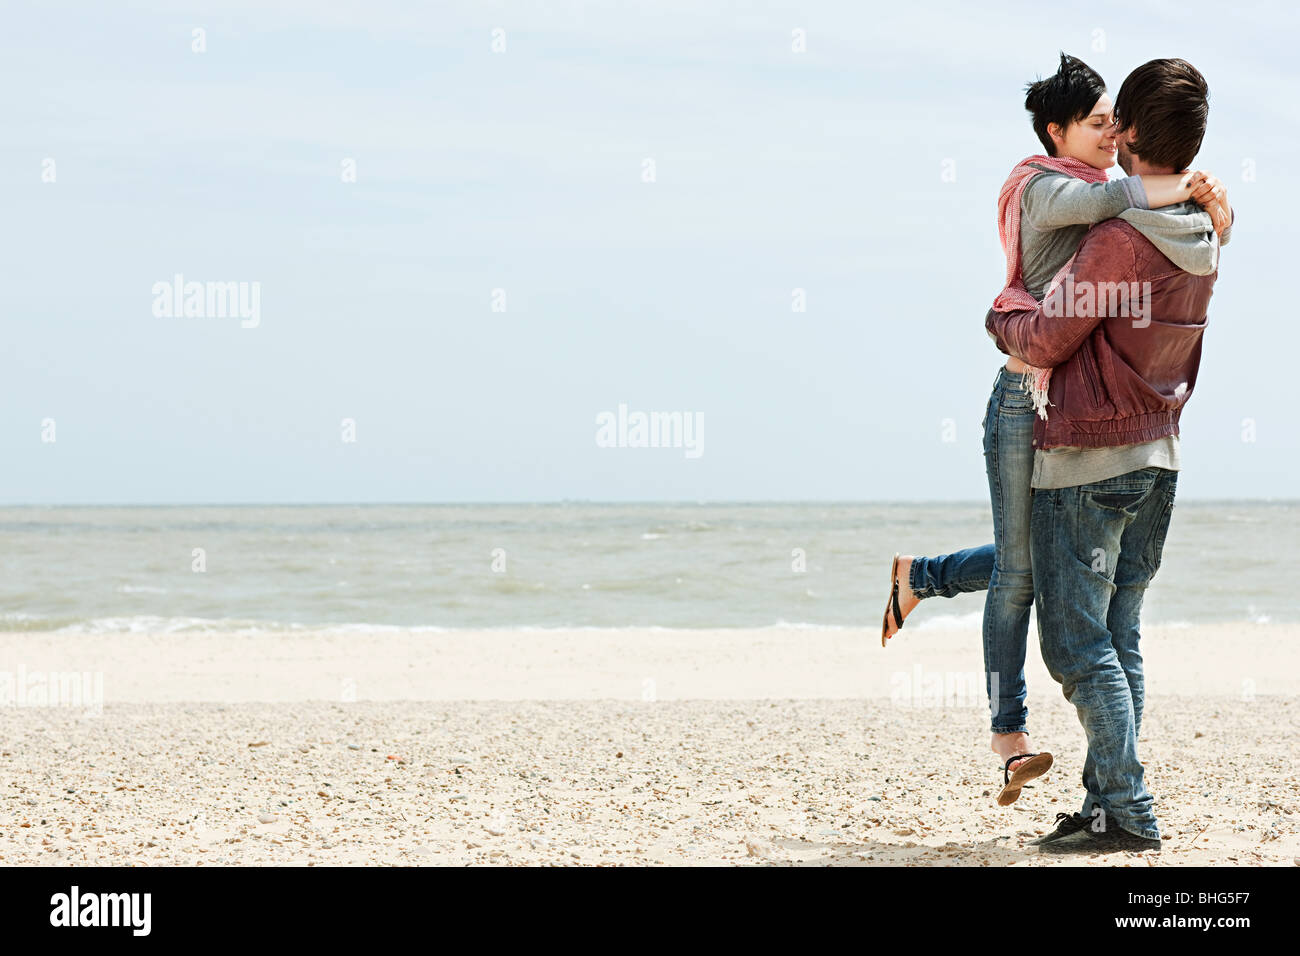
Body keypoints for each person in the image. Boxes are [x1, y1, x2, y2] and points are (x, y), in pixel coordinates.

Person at [877, 52, 1231, 806]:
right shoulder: (1044, 187)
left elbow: (1130, 221)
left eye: (1115, 122)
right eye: (1096, 122)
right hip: (1033, 400)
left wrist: (1210, 204)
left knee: (1038, 577)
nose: (1109, 134)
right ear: (1055, 130)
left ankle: (923, 577)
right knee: (1022, 575)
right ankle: (1014, 739)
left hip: (1075, 414)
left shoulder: (1118, 206)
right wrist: (1203, 197)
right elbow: (1142, 202)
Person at [982, 57, 1224, 852]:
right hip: (1160, 459)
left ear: (1129, 137)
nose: (1108, 130)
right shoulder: (1205, 233)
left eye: (1117, 119)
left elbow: (1049, 336)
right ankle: (1101, 806)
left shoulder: (1119, 238)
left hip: (1090, 461)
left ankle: (1126, 810)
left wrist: (1002, 316)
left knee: (1077, 646)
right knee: (1119, 639)